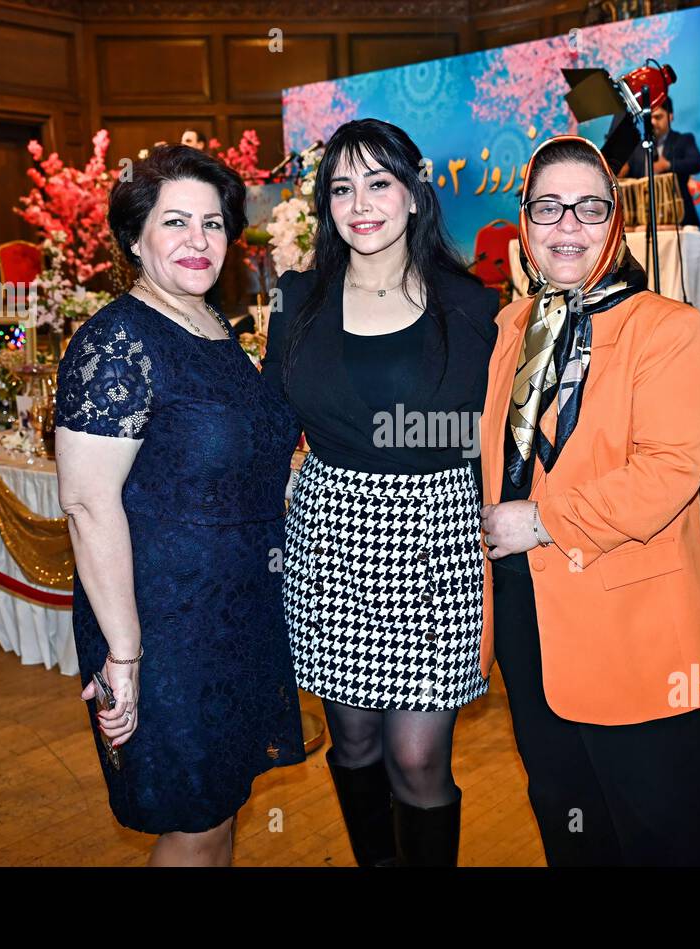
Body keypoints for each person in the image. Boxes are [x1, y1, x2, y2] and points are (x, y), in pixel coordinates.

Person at [54, 144, 305, 866]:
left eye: (214, 223)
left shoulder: (217, 331)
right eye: (175, 223)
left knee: (222, 805)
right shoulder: (117, 341)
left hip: (238, 613)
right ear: (135, 239)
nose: (199, 241)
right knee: (193, 820)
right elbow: (87, 503)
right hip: (160, 624)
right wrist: (124, 654)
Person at [478, 134, 700, 866]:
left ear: (614, 221)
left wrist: (545, 520)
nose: (567, 227)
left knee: (662, 833)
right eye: (548, 208)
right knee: (567, 820)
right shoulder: (511, 326)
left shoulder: (667, 329)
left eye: (588, 208)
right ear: (524, 220)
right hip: (530, 619)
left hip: (635, 627)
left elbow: (671, 470)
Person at [261, 118, 499, 867]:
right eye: (342, 187)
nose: (360, 202)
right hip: (330, 535)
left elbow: (490, 434)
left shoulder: (470, 304)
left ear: (414, 194)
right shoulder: (297, 300)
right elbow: (269, 426)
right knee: (353, 739)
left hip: (437, 536)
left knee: (421, 758)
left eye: (378, 182)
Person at [610, 96, 700, 228]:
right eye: (650, 118)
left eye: (658, 117)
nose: (653, 122)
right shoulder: (636, 147)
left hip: (680, 218)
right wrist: (623, 171)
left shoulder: (683, 140)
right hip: (643, 219)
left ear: (670, 116)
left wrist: (667, 165)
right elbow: (628, 171)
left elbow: (696, 163)